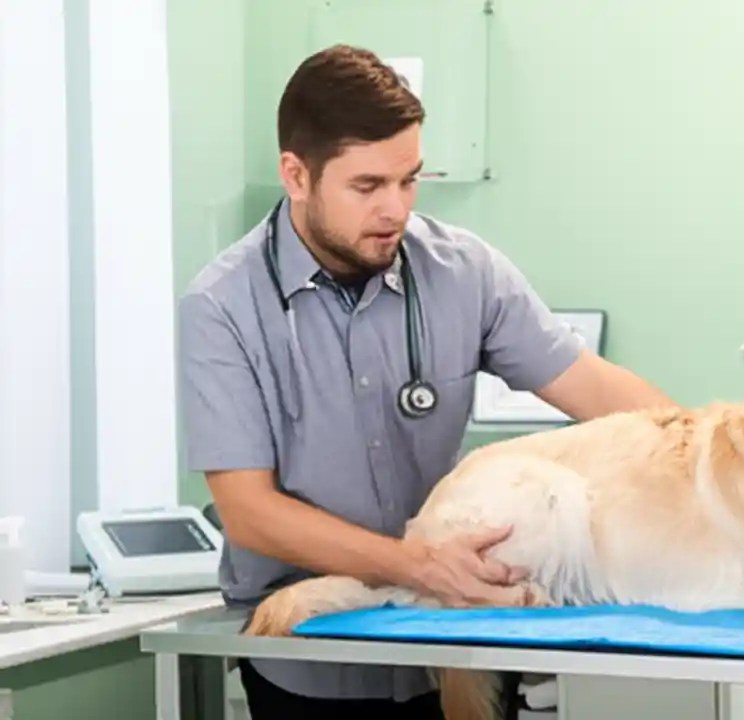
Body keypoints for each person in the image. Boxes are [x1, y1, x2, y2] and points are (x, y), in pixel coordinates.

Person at [177, 44, 675, 718]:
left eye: (409, 179)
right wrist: (417, 564)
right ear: (296, 175)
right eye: (368, 186)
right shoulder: (223, 308)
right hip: (313, 655)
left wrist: (716, 442)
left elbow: (590, 386)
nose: (396, 208)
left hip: (453, 638)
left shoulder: (462, 272)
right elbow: (249, 512)